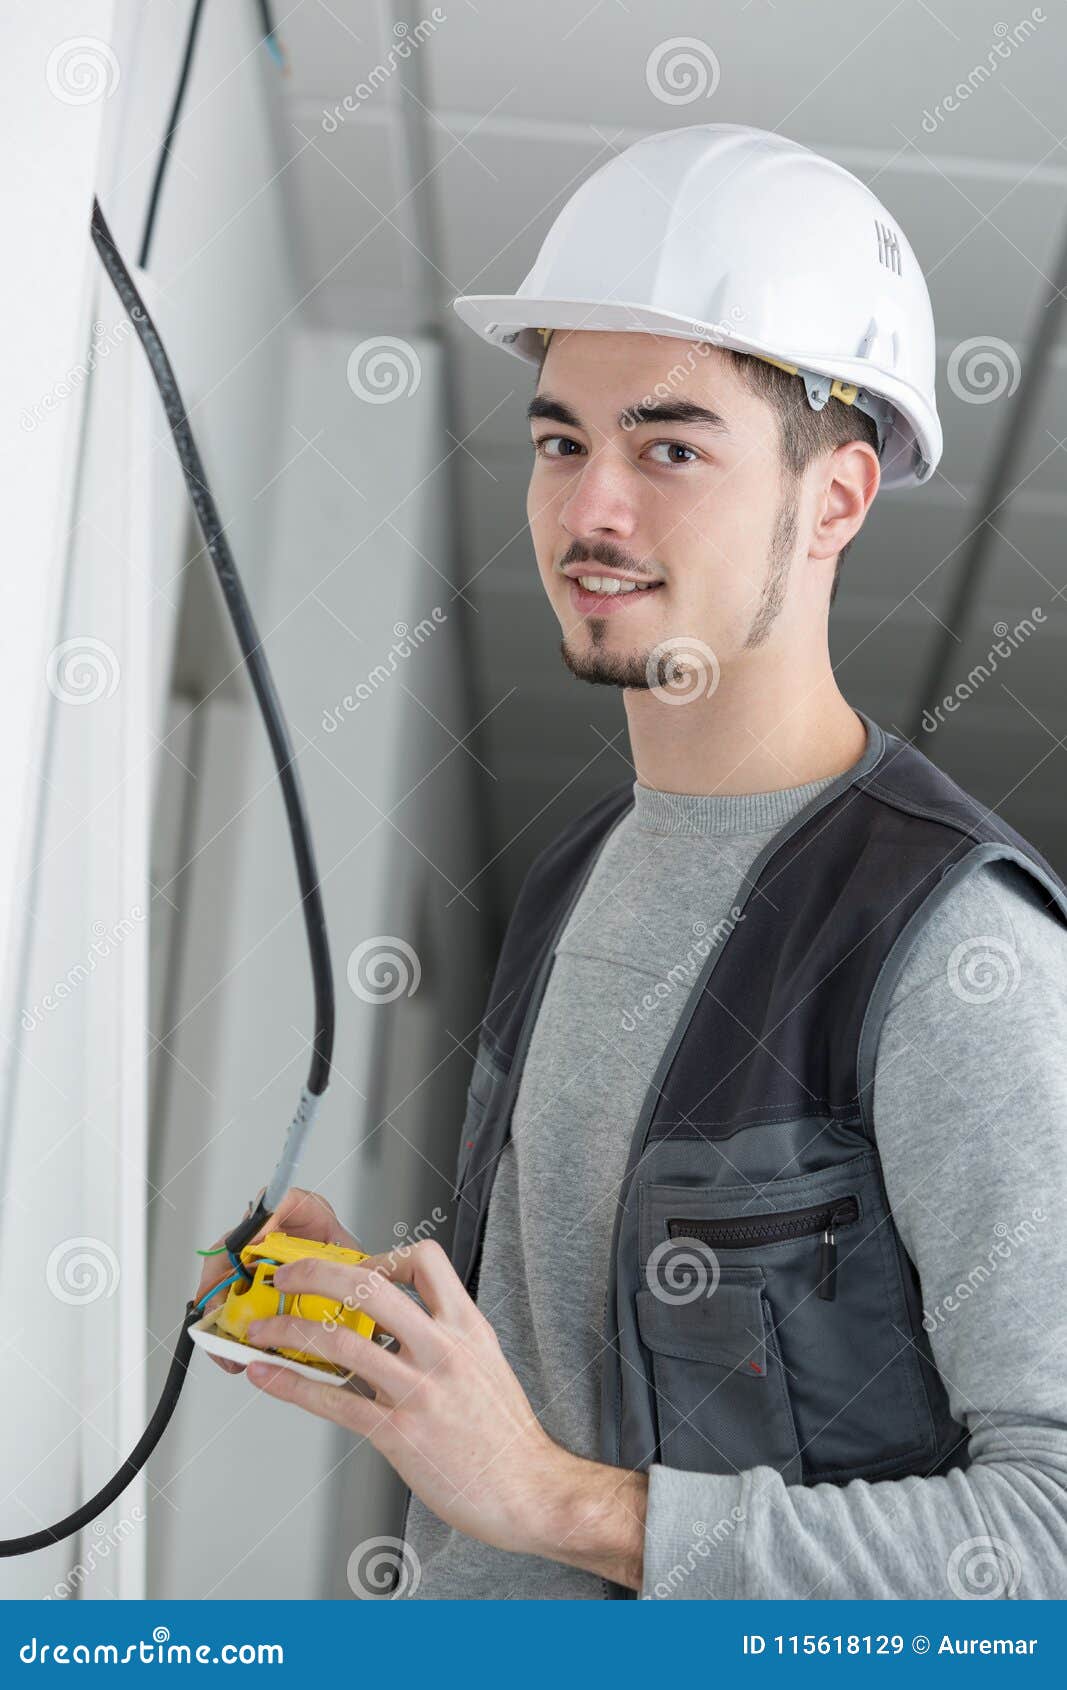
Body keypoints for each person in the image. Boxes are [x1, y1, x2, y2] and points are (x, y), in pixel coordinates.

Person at [197, 124, 1067, 1601]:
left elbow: (1044, 1541)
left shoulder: (951, 949)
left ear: (836, 498)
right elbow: (583, 1389)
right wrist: (398, 1336)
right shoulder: (578, 872)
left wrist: (565, 1503)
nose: (590, 509)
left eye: (670, 448)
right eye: (561, 442)